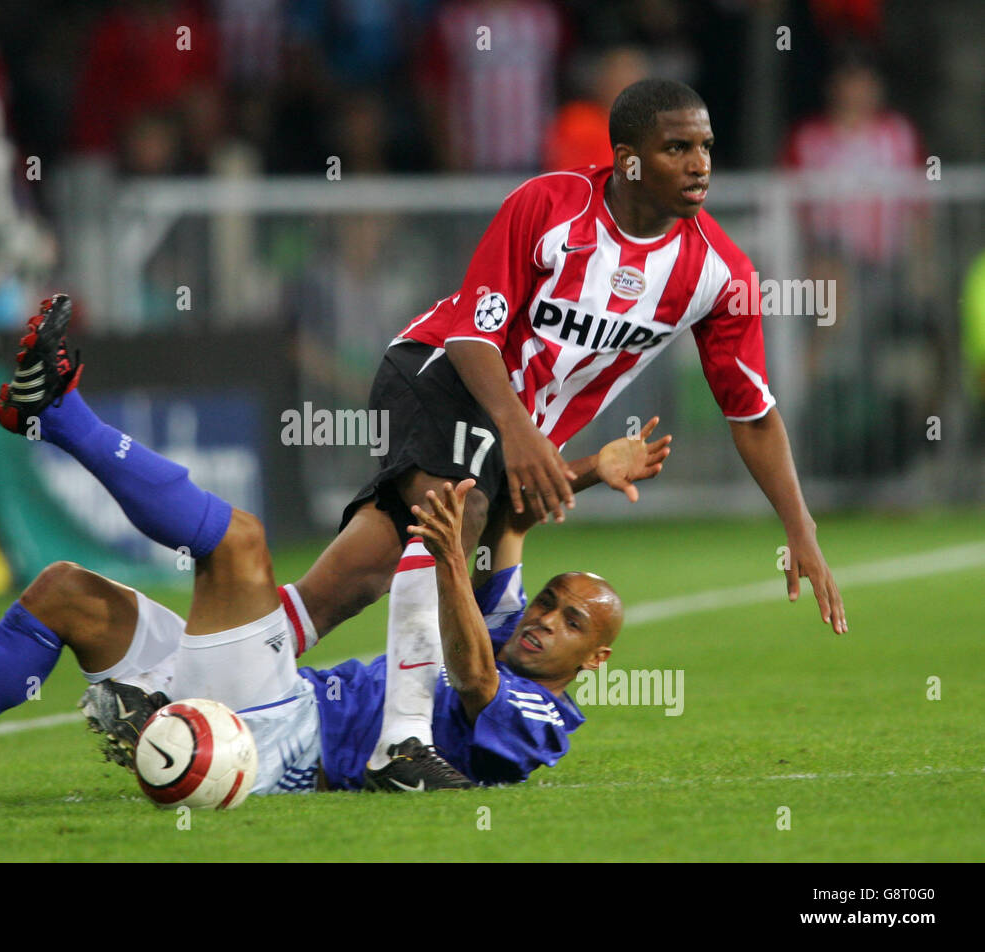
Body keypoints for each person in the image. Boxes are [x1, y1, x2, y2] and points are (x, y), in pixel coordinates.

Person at [0, 295, 668, 801]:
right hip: (278, 684)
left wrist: (449, 558)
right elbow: (513, 519)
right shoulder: (502, 609)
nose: (546, 619)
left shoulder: (545, 720)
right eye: (552, 601)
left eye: (570, 621)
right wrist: (592, 466)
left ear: (594, 661)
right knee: (65, 589)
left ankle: (59, 415)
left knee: (243, 544)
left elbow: (477, 681)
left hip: (288, 733)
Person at [277, 77, 848, 791]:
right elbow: (471, 336)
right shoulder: (548, 207)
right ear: (628, 159)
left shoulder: (718, 272)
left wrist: (801, 529)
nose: (700, 163)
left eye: (705, 146)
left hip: (508, 429)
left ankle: (196, 674)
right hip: (439, 369)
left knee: (353, 579)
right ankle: (403, 742)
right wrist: (520, 433)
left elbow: (752, 411)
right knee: (463, 512)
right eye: (677, 148)